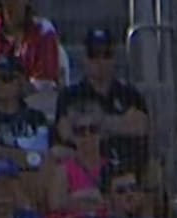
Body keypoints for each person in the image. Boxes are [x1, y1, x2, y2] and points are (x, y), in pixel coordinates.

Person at [54, 27, 149, 170]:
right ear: (85, 59)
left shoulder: (130, 94)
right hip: (85, 168)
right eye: (94, 55)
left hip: (127, 168)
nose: (100, 61)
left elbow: (140, 126)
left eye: (106, 54)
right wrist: (119, 123)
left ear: (114, 58)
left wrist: (93, 124)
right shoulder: (69, 96)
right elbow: (65, 132)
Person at [0, 0, 61, 92]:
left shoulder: (44, 30)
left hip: (35, 99)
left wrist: (13, 91)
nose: (12, 4)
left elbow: (45, 81)